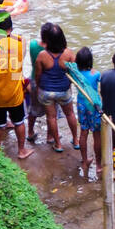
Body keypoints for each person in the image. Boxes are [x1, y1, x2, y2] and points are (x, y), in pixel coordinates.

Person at [0, 15, 32, 160]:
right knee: (19, 122)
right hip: (15, 91)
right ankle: (21, 150)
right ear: (11, 27)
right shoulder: (22, 42)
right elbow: (20, 62)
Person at [35, 24, 80, 153]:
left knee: (51, 117)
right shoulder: (69, 54)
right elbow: (75, 73)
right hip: (64, 90)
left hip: (46, 91)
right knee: (70, 113)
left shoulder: (42, 55)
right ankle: (76, 140)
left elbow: (38, 75)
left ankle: (58, 144)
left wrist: (38, 87)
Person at [72, 46, 102, 182]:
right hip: (94, 106)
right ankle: (99, 165)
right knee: (96, 134)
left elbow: (69, 64)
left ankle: (85, 161)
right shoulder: (96, 74)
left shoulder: (75, 73)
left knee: (83, 132)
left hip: (81, 105)